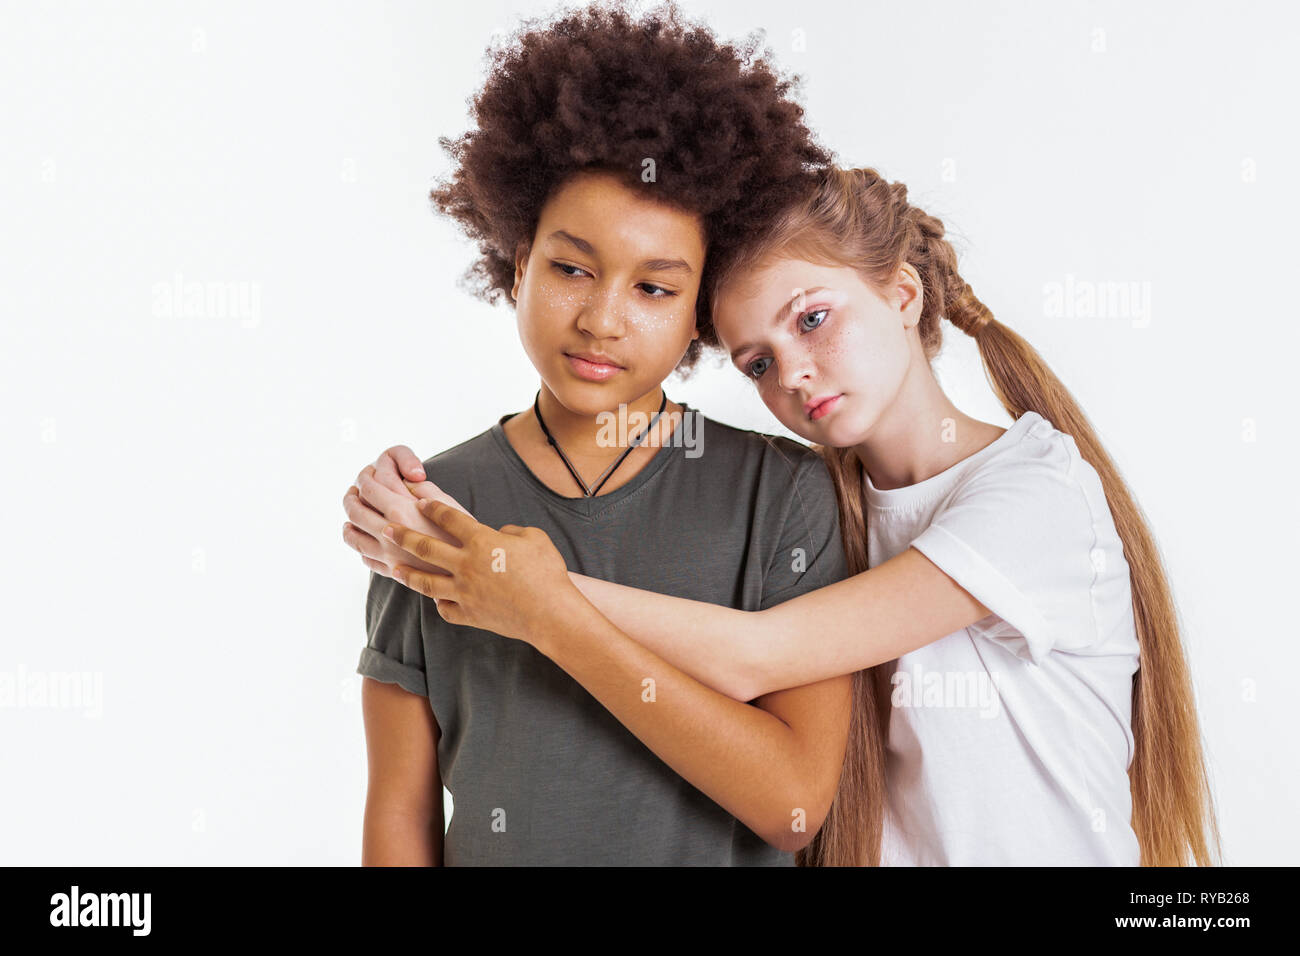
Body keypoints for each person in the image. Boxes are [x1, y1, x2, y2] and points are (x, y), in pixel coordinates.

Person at [354, 166, 1223, 867]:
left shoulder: (1030, 495)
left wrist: (526, 593)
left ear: (906, 295)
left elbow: (758, 663)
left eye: (814, 320)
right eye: (758, 361)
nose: (794, 375)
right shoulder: (840, 506)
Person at [347, 0, 856, 866]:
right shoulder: (430, 511)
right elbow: (401, 816)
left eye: (654, 289)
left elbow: (797, 807)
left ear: (701, 312)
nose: (602, 318)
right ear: (518, 264)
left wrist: (553, 618)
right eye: (572, 268)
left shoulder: (781, 497)